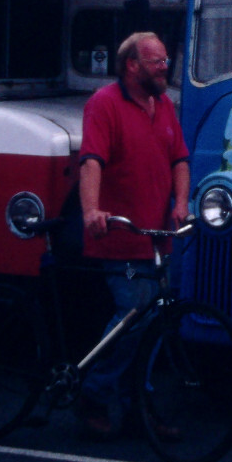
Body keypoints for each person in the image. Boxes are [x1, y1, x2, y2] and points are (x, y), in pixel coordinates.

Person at [75, 31, 190, 436]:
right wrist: (91, 211)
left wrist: (181, 203)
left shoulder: (164, 105)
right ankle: (93, 392)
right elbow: (91, 161)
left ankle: (133, 406)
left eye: (165, 60)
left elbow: (180, 159)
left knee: (151, 324)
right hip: (122, 238)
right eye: (156, 61)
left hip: (158, 239)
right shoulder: (104, 104)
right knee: (132, 317)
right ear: (132, 66)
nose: (165, 67)